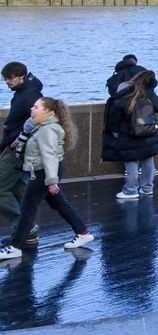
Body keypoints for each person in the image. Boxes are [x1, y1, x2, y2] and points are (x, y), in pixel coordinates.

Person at [0, 96, 93, 259]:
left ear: (48, 111)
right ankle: (82, 232)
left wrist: (51, 181)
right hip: (46, 171)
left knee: (28, 209)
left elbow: (49, 156)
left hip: (44, 173)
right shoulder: (41, 126)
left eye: (36, 107)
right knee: (59, 203)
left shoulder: (47, 129)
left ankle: (14, 247)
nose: (32, 109)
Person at [103, 68, 158, 200]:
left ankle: (131, 190)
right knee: (148, 161)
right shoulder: (149, 96)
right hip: (148, 133)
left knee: (131, 163)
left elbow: (114, 116)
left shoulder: (125, 96)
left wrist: (114, 131)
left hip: (129, 136)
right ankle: (147, 188)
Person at [1, 61, 44, 236]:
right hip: (19, 149)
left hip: (17, 150)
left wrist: (21, 137)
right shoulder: (24, 93)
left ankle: (23, 226)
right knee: (18, 189)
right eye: (5, 79)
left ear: (22, 76)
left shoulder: (28, 95)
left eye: (10, 78)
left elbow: (42, 118)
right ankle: (28, 232)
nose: (7, 82)